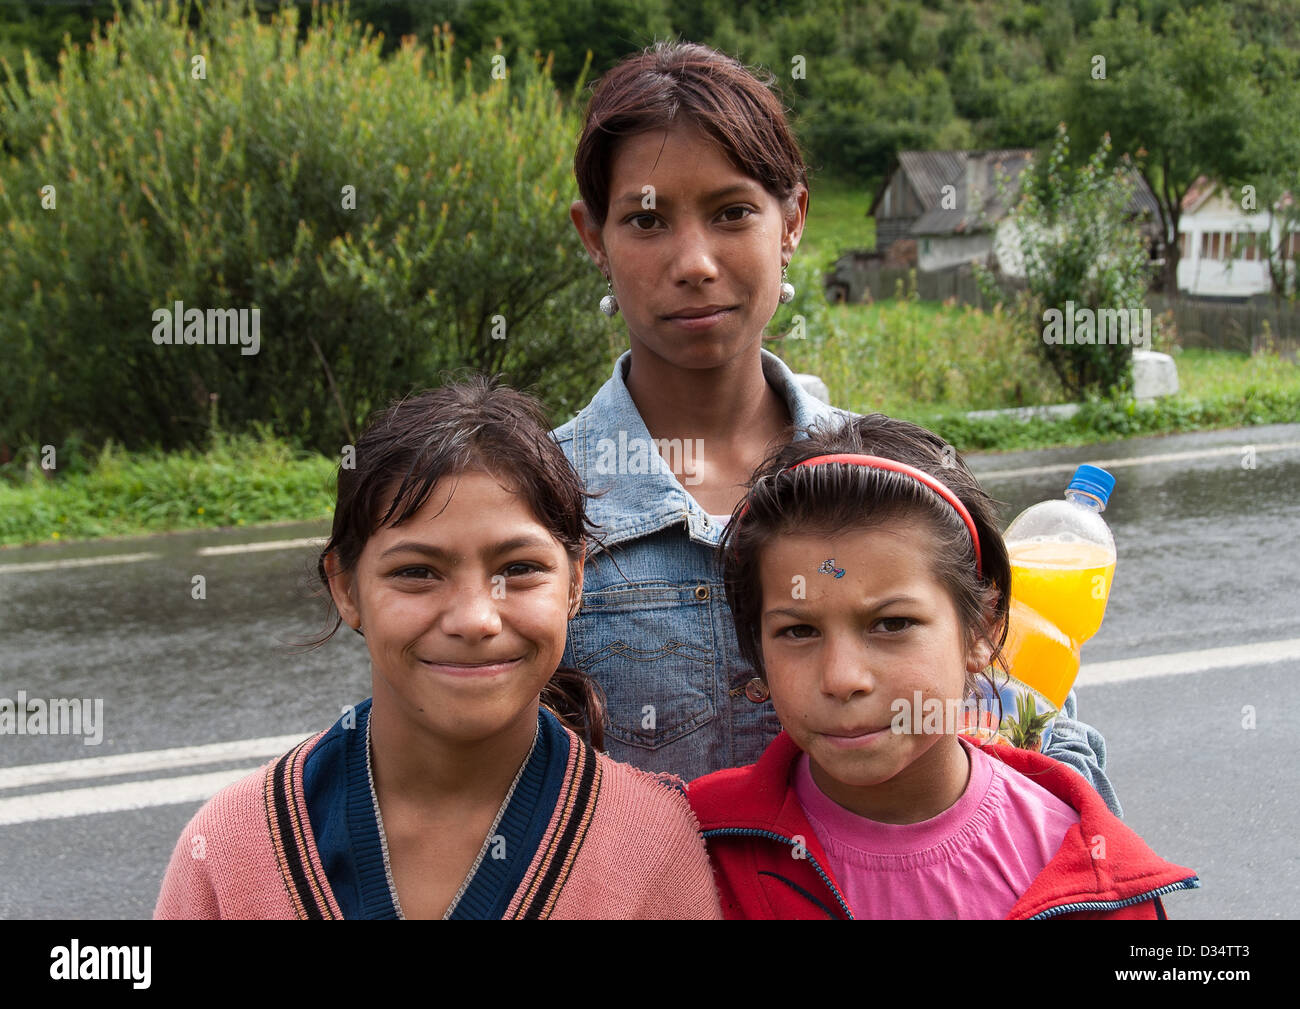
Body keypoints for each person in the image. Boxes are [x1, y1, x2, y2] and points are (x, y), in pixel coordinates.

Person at [558, 39, 1120, 813]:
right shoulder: (542, 509)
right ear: (596, 237)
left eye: (731, 213)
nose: (693, 260)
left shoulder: (906, 486)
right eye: (647, 221)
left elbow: (1026, 736)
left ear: (792, 221)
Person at [154, 378, 721, 920]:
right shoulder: (231, 850)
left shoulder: (649, 846)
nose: (475, 619)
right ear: (347, 589)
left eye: (519, 569)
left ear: (575, 582)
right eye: (417, 572)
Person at [687, 414, 1199, 919]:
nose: (842, 679)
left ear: (981, 629)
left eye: (891, 624)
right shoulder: (692, 851)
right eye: (799, 631)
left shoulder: (1092, 878)